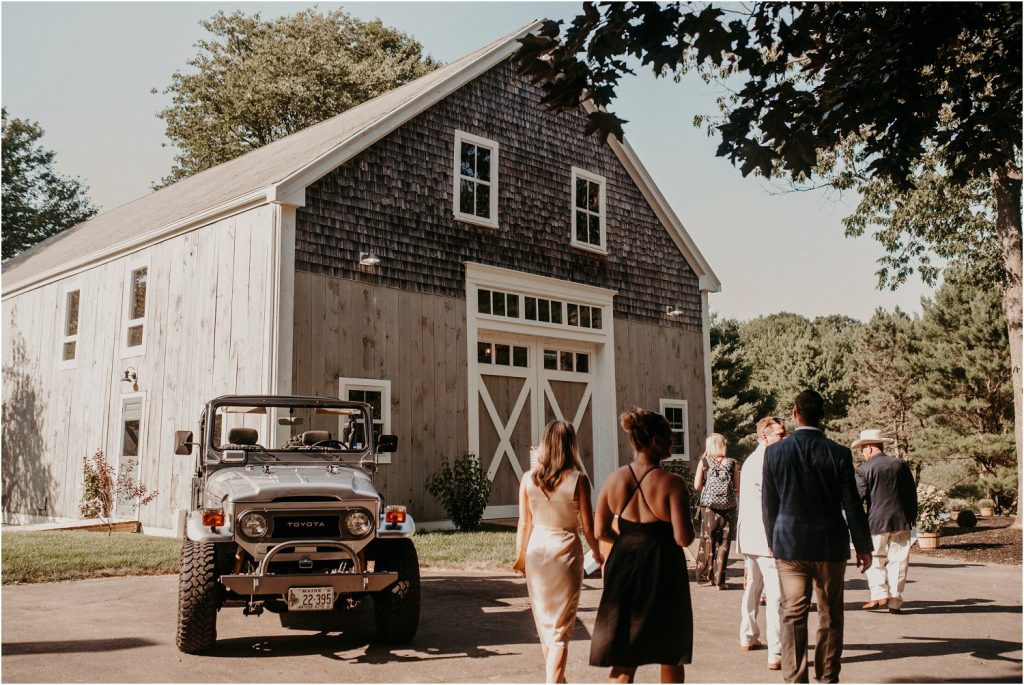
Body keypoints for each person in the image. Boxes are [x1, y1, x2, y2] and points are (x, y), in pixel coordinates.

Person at [762, 390, 872, 684]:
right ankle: (827, 677)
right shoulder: (838, 453)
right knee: (830, 613)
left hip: (789, 544)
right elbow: (852, 504)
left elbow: (769, 504)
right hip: (829, 544)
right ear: (822, 416)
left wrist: (773, 541)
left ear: (794, 413)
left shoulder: (774, 452)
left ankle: (795, 679)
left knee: (792, 614)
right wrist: (864, 546)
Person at [589, 407, 695, 683]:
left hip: (624, 566)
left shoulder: (614, 480)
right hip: (663, 568)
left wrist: (627, 542)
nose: (672, 442)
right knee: (669, 648)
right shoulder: (672, 484)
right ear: (655, 441)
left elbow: (600, 531)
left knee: (625, 649)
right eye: (669, 437)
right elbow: (683, 538)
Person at [514, 420, 602, 683]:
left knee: (545, 626)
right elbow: (589, 527)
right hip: (565, 553)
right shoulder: (579, 480)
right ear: (570, 445)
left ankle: (559, 680)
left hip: (536, 552)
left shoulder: (528, 479)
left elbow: (524, 524)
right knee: (560, 631)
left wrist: (520, 558)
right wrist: (598, 553)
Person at [736, 416, 787, 670]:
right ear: (765, 436)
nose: (785, 438)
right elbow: (773, 502)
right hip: (766, 537)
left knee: (753, 586)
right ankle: (776, 651)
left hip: (749, 535)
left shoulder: (750, 460)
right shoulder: (768, 461)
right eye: (780, 434)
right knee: (775, 593)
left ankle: (748, 634)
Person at [852, 429, 918, 615]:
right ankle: (895, 601)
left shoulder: (864, 470)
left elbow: (858, 499)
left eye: (862, 450)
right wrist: (912, 516)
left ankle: (879, 593)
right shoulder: (900, 465)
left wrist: (856, 523)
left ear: (869, 448)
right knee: (899, 560)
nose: (862, 453)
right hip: (901, 520)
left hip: (876, 521)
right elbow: (911, 493)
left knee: (874, 558)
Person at [693, 433, 739, 588]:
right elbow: (737, 488)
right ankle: (720, 581)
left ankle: (706, 576)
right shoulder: (731, 463)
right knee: (724, 542)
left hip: (709, 508)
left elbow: (697, 486)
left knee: (708, 540)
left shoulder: (704, 462)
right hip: (728, 508)